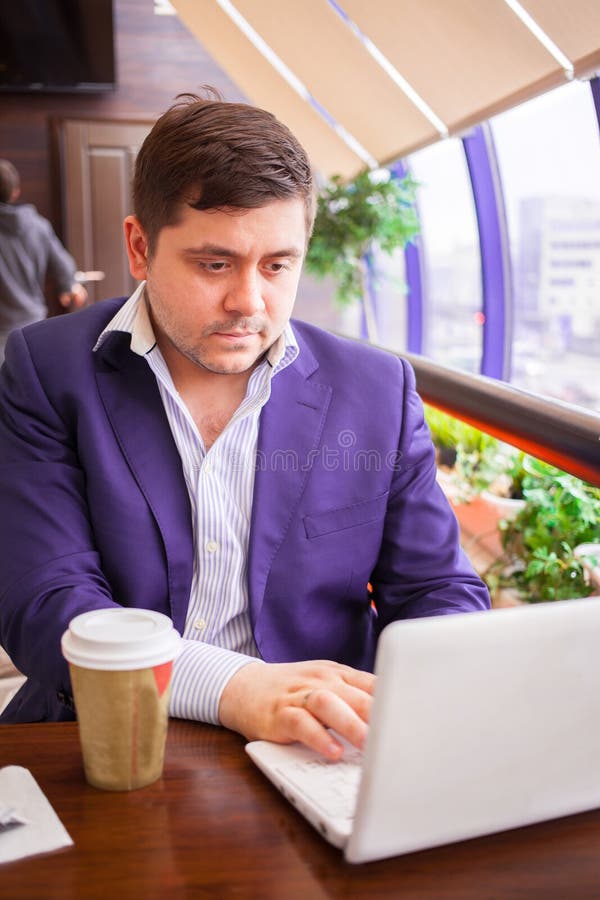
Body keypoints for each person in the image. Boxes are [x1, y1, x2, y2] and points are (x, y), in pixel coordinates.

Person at [0, 93, 489, 757]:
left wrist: (418, 703)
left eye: (277, 265)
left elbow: (437, 589)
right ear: (140, 248)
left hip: (311, 750)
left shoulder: (375, 389)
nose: (249, 302)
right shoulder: (46, 369)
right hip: (103, 737)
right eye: (215, 264)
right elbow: (45, 600)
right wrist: (235, 688)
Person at [0, 159, 87, 364]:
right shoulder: (38, 226)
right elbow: (64, 266)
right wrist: (69, 286)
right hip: (32, 332)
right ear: (15, 192)